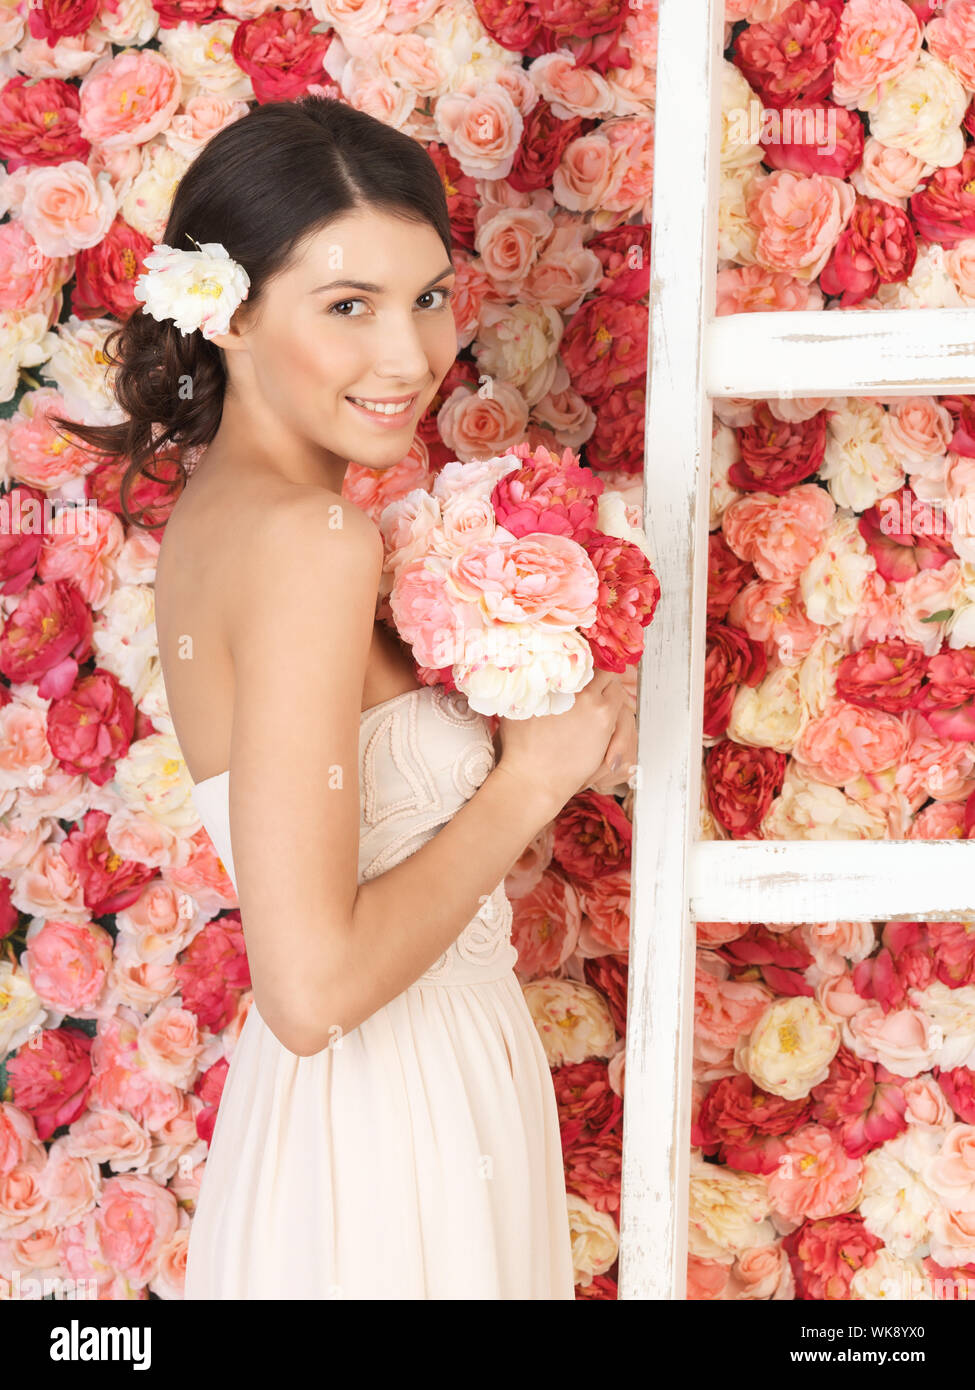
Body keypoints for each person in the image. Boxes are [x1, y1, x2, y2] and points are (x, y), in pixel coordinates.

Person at [55, 95, 635, 1300]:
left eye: (426, 296)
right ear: (233, 313)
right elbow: (312, 989)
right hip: (388, 1127)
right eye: (347, 307)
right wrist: (528, 778)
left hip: (388, 1111)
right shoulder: (312, 541)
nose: (410, 358)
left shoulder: (230, 521)